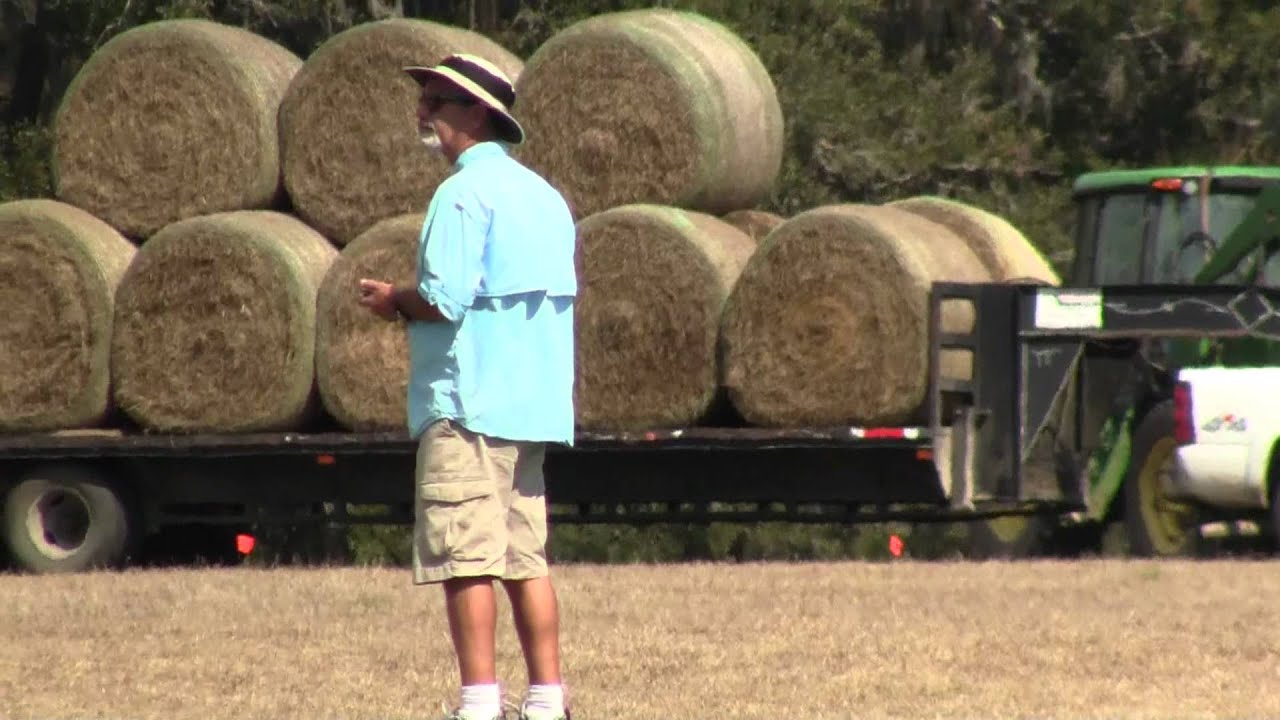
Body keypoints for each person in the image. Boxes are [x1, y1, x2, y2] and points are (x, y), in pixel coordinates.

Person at [357, 53, 577, 720]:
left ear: (477, 113)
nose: (422, 113)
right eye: (425, 99)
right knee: (526, 560)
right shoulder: (546, 197)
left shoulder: (460, 194)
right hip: (532, 405)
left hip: (469, 402)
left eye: (436, 100)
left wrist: (394, 297)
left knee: (467, 558)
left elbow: (445, 300)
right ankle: (546, 702)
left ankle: (479, 704)